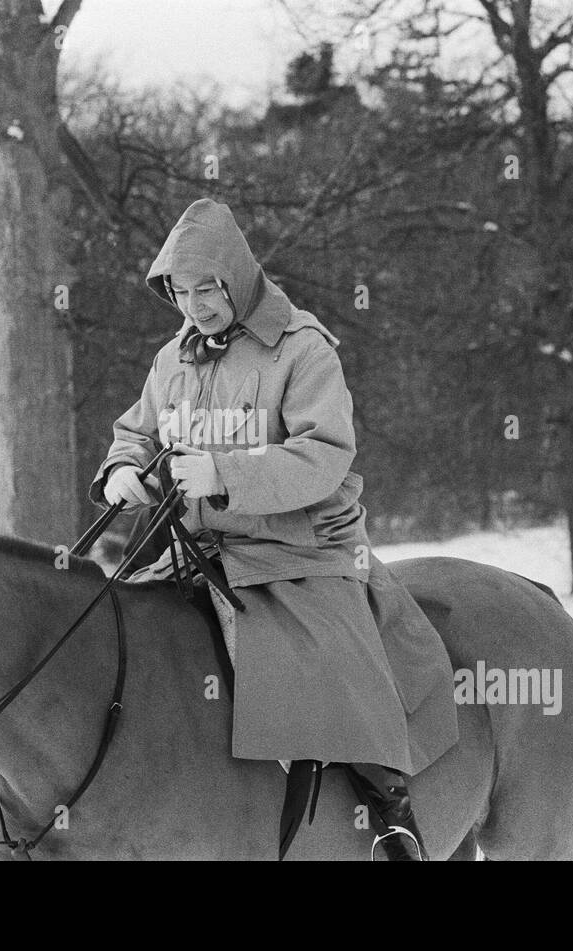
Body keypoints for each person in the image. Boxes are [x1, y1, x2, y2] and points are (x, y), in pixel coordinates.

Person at [88, 198, 453, 860]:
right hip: (197, 550)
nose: (195, 306)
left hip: (299, 550)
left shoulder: (301, 349)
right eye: (181, 292)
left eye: (207, 288)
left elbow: (323, 453)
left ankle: (389, 813)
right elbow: (136, 430)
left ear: (236, 278)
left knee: (332, 660)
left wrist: (226, 473)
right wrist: (122, 468)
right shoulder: (174, 359)